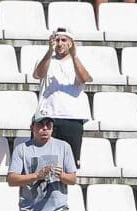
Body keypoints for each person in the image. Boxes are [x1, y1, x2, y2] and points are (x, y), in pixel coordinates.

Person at [33, 28, 92, 162]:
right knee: (44, 161)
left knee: (69, 163)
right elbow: (39, 74)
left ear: (71, 42)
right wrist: (49, 51)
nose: (59, 43)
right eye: (57, 40)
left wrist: (74, 56)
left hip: (72, 117)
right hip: (47, 116)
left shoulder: (80, 60)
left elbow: (84, 78)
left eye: (64, 40)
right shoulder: (45, 59)